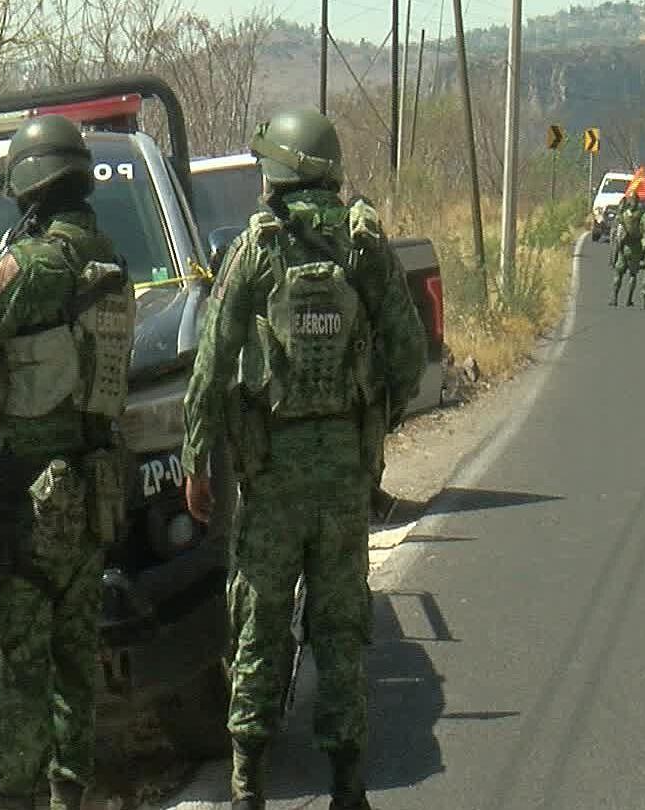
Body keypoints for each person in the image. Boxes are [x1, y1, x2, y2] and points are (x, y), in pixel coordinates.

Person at [181, 108, 426, 810]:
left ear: (279, 174)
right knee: (341, 627)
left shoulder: (256, 249)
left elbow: (212, 362)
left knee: (259, 623)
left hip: (271, 480)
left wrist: (197, 458)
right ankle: (348, 786)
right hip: (346, 479)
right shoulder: (363, 244)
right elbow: (408, 353)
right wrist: (374, 423)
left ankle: (247, 784)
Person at [0, 114, 135, 810]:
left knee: (20, 668)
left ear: (28, 188)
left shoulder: (29, 267)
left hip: (27, 497)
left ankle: (18, 796)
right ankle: (69, 793)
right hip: (92, 493)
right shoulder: (111, 264)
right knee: (75, 660)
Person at [610, 194, 644, 307]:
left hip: (623, 247)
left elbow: (617, 225)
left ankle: (614, 298)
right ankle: (629, 299)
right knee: (633, 274)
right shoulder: (641, 214)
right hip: (636, 247)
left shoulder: (624, 215)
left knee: (618, 273)